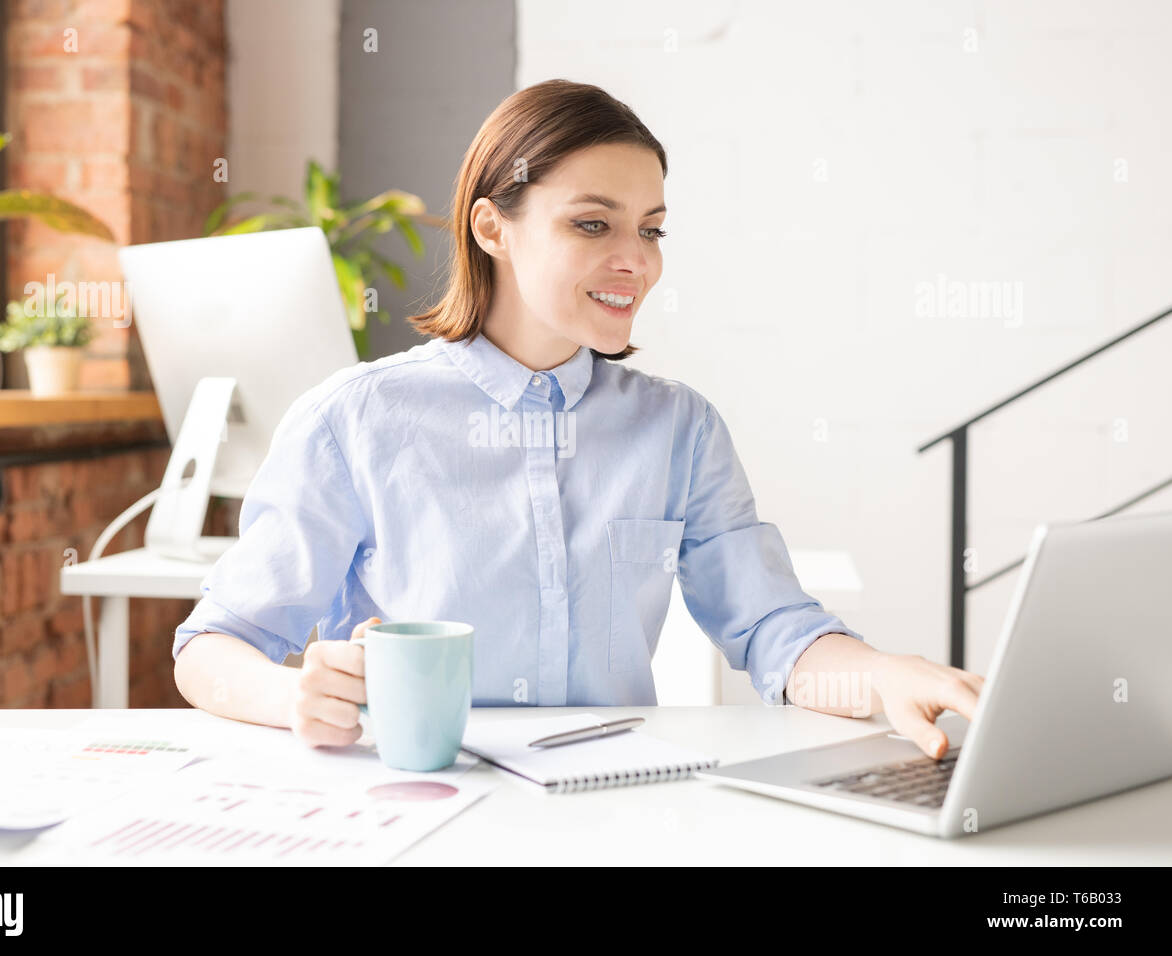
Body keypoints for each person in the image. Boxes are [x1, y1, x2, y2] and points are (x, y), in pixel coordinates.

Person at [173, 79, 984, 760]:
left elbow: (773, 629)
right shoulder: (355, 419)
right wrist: (293, 697)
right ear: (493, 227)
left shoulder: (680, 429)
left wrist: (879, 674)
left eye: (652, 229)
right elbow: (211, 647)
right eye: (592, 223)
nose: (636, 259)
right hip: (424, 802)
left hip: (614, 805)